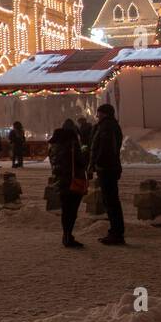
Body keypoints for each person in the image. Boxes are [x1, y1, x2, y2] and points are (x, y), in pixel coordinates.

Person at [88, 103, 125, 246]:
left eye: (98, 113)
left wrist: (97, 163)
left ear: (104, 113)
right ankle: (115, 231)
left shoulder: (107, 127)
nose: (97, 116)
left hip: (107, 168)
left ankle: (116, 233)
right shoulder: (108, 126)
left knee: (111, 201)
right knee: (110, 200)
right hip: (109, 167)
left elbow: (105, 148)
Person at [49, 119, 87, 249]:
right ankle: (68, 236)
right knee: (72, 210)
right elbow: (80, 161)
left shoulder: (54, 144)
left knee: (66, 210)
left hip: (60, 180)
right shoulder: (72, 144)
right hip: (73, 180)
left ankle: (66, 235)